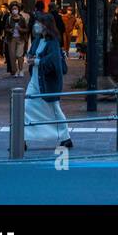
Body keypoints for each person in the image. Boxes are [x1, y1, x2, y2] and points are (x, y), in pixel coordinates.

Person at [23, 17, 72, 152]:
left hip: (47, 81)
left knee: (54, 109)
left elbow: (54, 61)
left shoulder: (53, 42)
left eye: (39, 23)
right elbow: (32, 53)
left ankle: (65, 137)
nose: (36, 25)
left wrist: (37, 61)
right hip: (35, 79)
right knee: (26, 106)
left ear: (46, 25)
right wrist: (30, 58)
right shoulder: (38, 40)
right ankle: (23, 139)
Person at [3, 2, 30, 77]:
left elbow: (26, 29)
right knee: (12, 56)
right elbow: (5, 28)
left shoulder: (22, 19)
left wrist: (21, 29)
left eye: (16, 9)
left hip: (20, 39)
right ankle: (14, 71)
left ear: (18, 10)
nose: (14, 10)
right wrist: (10, 30)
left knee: (19, 55)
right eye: (13, 9)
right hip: (11, 39)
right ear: (11, 10)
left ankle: (21, 70)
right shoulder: (9, 19)